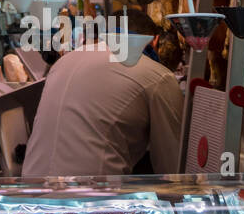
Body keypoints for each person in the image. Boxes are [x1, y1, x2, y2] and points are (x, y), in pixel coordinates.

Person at [21, 12, 183, 177]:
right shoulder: (157, 75)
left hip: (29, 190)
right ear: (154, 40)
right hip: (93, 196)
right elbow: (172, 165)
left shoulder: (64, 61)